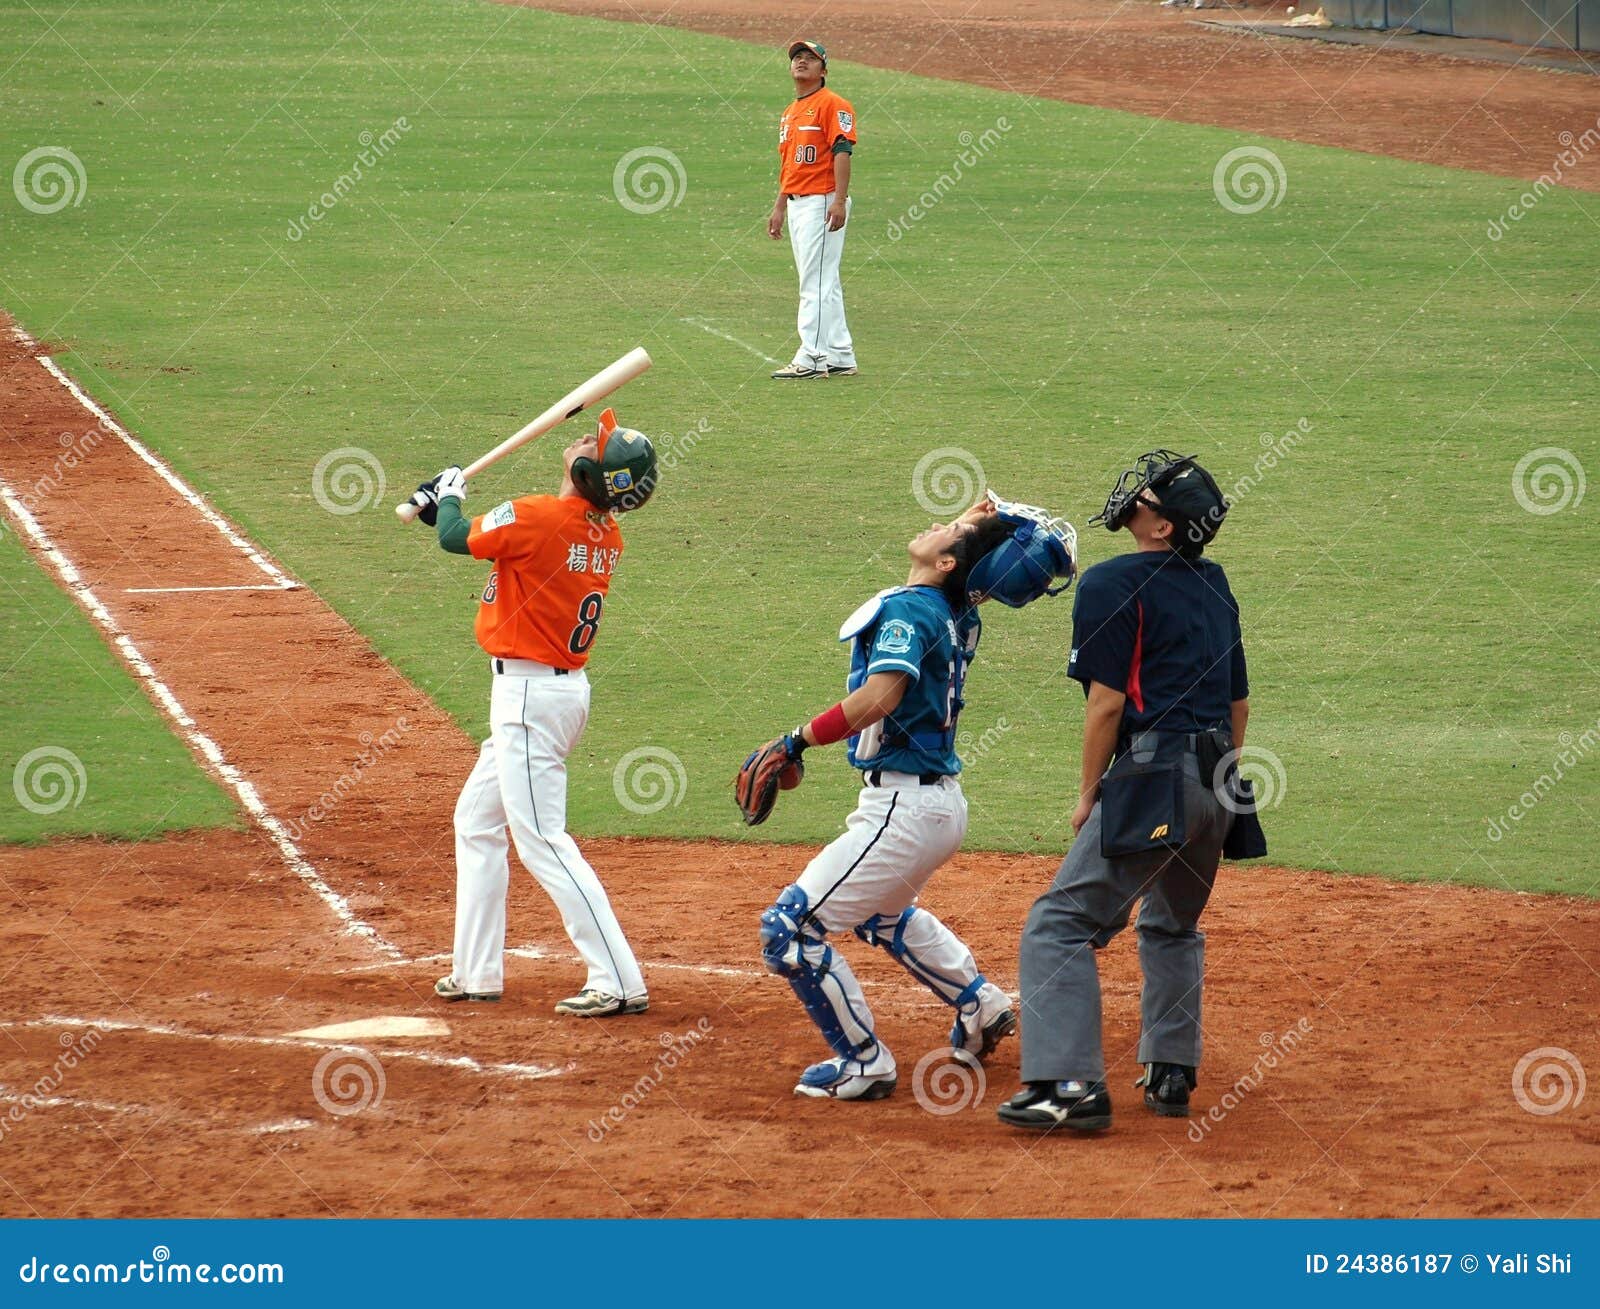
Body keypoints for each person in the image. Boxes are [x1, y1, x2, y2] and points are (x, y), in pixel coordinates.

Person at [742, 495, 1077, 1101]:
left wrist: (795, 741)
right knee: (881, 915)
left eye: (947, 529)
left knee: (787, 931)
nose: (935, 524)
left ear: (951, 564)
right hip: (937, 806)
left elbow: (878, 698)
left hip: (900, 811)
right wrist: (981, 526)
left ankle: (864, 1063)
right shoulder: (958, 612)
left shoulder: (910, 613)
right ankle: (979, 1005)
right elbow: (974, 571)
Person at [1000, 451, 1256, 1132]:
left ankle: (1069, 1085)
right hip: (1220, 782)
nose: (1131, 497)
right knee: (1171, 922)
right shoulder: (1216, 583)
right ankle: (1172, 1067)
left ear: (1163, 527)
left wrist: (1089, 793)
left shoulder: (1112, 582)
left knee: (1058, 925)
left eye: (1144, 495)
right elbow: (1239, 703)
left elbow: (1107, 704)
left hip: (1155, 779)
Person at [415, 410, 659, 1017]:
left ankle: (618, 980)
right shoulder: (603, 533)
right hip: (551, 693)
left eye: (593, 444)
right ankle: (476, 972)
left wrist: (448, 495)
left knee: (544, 841)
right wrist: (443, 508)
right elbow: (473, 536)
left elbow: (456, 538)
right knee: (475, 820)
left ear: (584, 470)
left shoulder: (536, 516)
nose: (584, 437)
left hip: (528, 698)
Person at [768, 39, 857, 380]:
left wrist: (838, 199)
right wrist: (780, 205)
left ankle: (812, 356)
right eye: (797, 57)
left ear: (824, 70)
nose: (801, 62)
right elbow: (790, 164)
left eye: (810, 58)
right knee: (825, 280)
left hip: (822, 201)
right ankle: (839, 353)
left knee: (814, 283)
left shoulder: (833, 104)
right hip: (798, 202)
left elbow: (842, 151)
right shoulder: (790, 112)